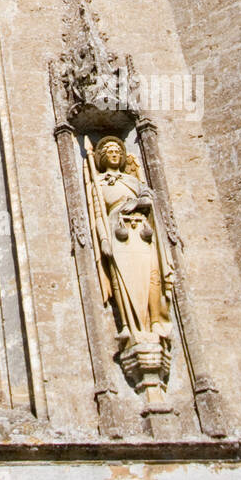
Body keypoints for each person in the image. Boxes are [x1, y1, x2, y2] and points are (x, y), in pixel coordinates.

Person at [84, 135, 173, 346]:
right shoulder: (99, 184)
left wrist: (135, 204)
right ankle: (130, 326)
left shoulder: (132, 180)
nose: (114, 154)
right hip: (117, 232)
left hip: (141, 232)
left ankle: (155, 323)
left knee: (152, 277)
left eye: (117, 152)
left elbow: (148, 196)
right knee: (122, 281)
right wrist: (104, 239)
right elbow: (97, 214)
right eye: (110, 152)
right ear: (103, 157)